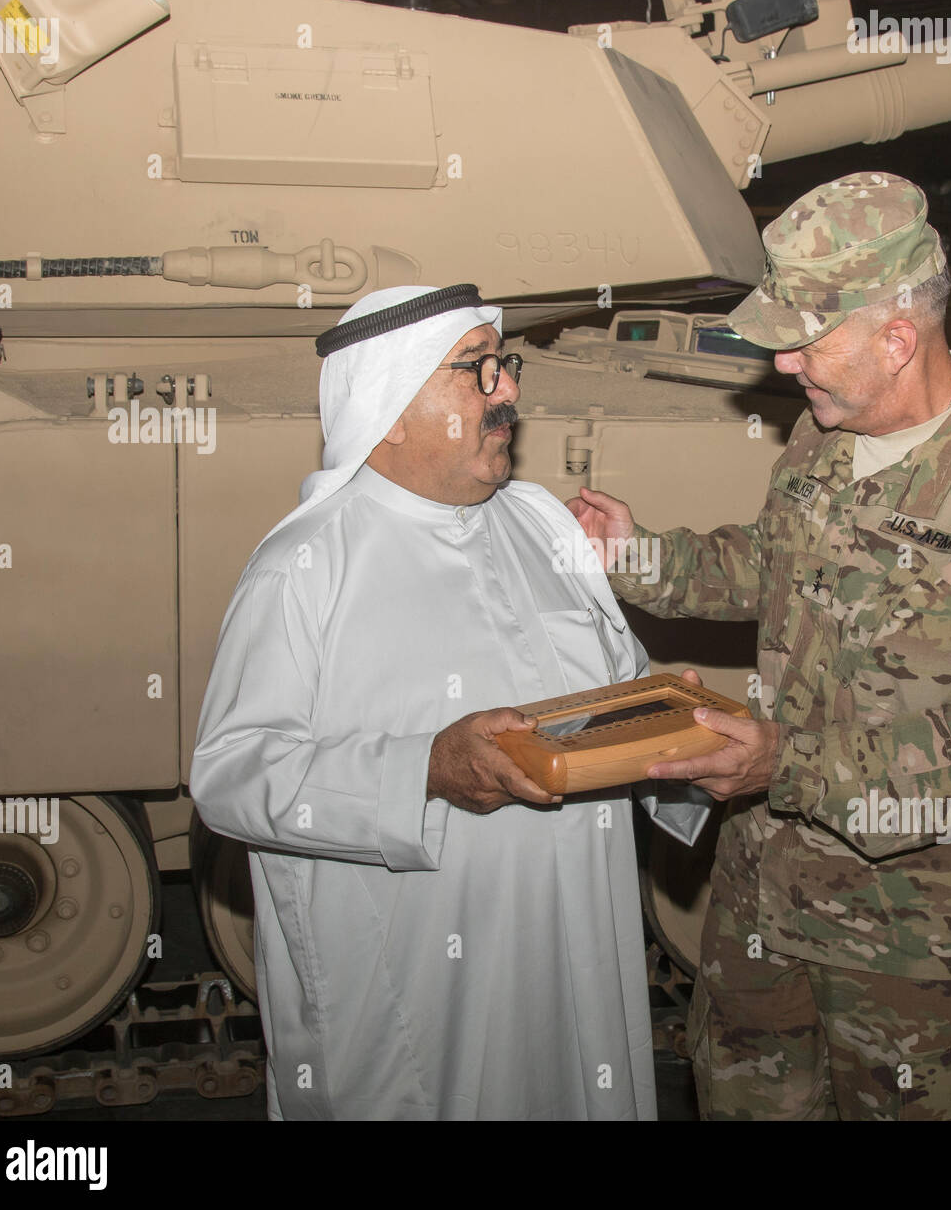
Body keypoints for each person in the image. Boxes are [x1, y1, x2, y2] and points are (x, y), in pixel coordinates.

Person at [569, 173, 951, 1120]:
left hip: (925, 958)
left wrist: (782, 763)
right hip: (763, 916)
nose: (787, 365)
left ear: (898, 338)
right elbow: (777, 562)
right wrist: (641, 557)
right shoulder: (824, 440)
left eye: (808, 341)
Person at [190, 284, 708, 1120]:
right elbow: (229, 776)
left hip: (574, 947)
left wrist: (690, 752)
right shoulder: (307, 566)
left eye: (504, 366)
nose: (509, 390)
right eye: (478, 371)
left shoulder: (541, 524)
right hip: (417, 989)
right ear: (390, 408)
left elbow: (621, 688)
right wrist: (423, 769)